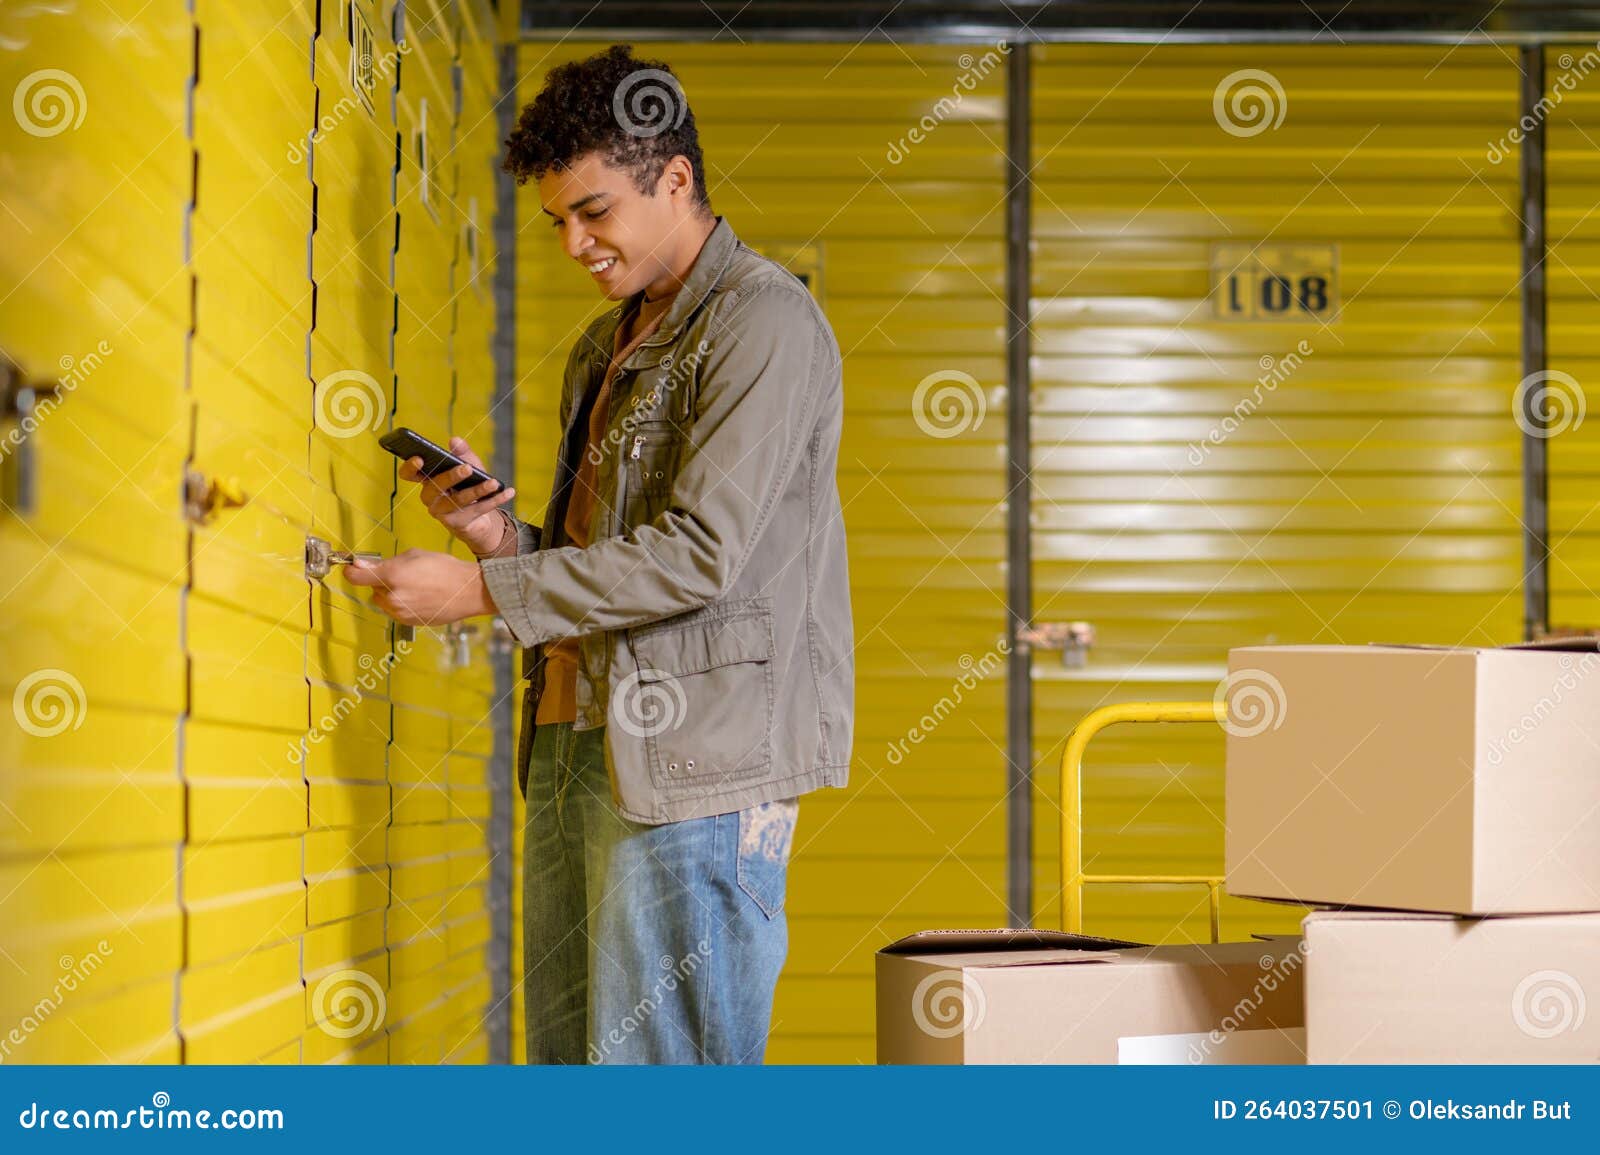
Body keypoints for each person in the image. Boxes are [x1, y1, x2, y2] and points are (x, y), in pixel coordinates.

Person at [343, 43, 853, 1065]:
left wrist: (485, 589)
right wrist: (494, 535)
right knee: (576, 1064)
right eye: (557, 222)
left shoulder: (761, 322)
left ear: (675, 180)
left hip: (698, 765)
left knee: (662, 1079)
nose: (574, 243)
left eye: (594, 212)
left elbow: (700, 553)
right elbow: (601, 557)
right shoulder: (604, 345)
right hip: (580, 740)